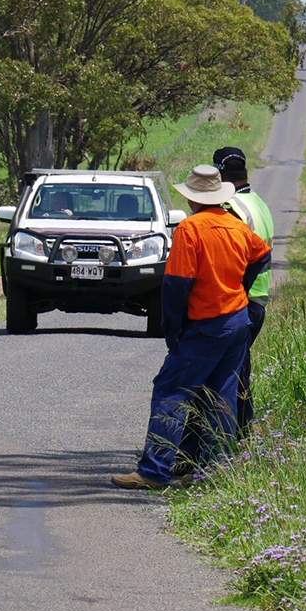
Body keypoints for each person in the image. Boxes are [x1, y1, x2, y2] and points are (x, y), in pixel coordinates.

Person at [111, 165, 271, 490]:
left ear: (193, 199)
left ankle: (155, 470)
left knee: (170, 391)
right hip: (237, 322)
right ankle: (217, 472)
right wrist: (240, 286)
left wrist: (173, 329)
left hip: (205, 325)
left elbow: (176, 285)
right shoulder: (237, 227)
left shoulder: (190, 229)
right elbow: (262, 256)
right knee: (221, 395)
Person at [214, 146, 274, 433]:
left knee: (228, 374)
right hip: (258, 300)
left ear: (220, 175)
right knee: (239, 371)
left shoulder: (234, 208)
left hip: (242, 301)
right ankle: (242, 434)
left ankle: (231, 438)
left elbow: (235, 255)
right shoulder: (259, 203)